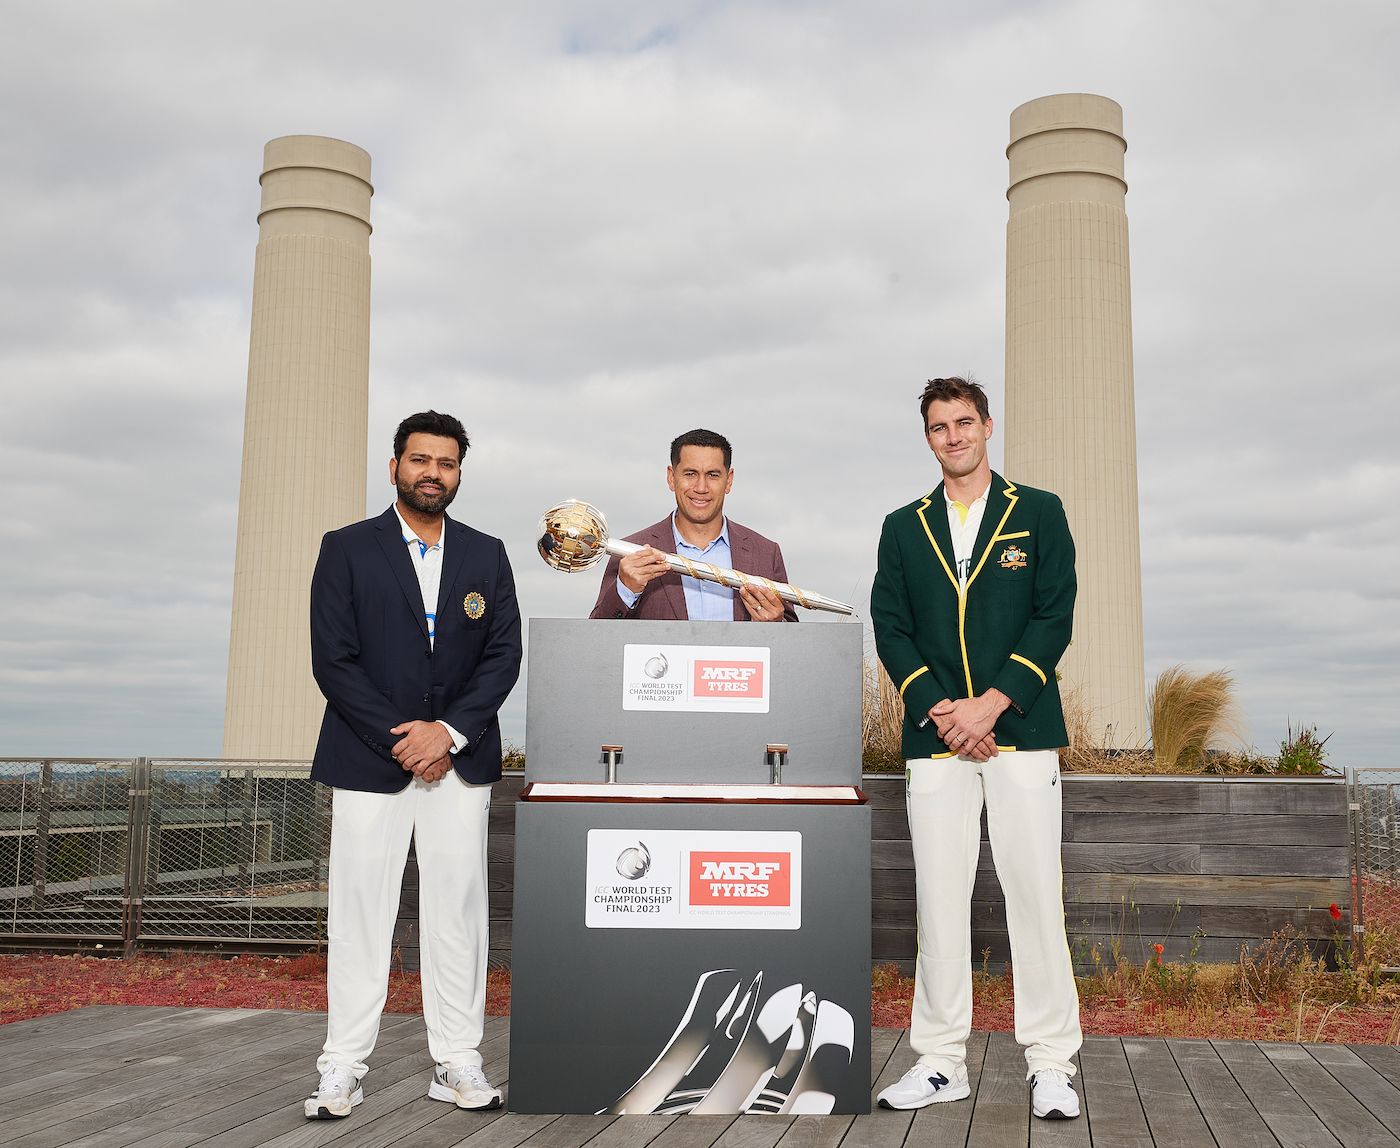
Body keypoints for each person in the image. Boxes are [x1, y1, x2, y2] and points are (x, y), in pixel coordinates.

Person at [871, 378, 1082, 1120]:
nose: (953, 436)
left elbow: (1054, 617)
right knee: (939, 901)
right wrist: (942, 710)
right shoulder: (905, 525)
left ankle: (1052, 1062)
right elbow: (889, 626)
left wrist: (990, 706)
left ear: (988, 426)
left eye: (965, 422)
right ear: (927, 437)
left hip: (1020, 733)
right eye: (939, 427)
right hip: (935, 743)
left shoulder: (1041, 512)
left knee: (1034, 898)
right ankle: (938, 1062)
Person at [303, 411, 522, 1120]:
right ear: (395, 466)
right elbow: (333, 658)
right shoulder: (346, 548)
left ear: (460, 472)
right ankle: (341, 1067)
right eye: (421, 459)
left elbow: (503, 654)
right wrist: (404, 740)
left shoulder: (487, 554)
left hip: (458, 764)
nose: (434, 472)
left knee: (457, 914)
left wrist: (448, 734)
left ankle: (458, 1060)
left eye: (448, 462)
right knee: (361, 914)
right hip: (372, 760)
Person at [589, 428, 797, 622]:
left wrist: (777, 625)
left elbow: (794, 642)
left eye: (712, 475)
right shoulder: (630, 552)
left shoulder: (766, 553)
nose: (701, 487)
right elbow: (597, 639)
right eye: (690, 474)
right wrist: (625, 590)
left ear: (729, 480)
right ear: (671, 478)